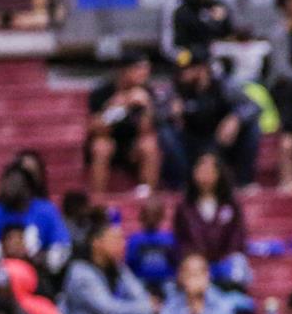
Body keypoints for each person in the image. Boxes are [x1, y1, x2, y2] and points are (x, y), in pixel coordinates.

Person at [60, 219, 156, 314]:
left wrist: (147, 308)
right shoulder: (80, 273)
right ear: (96, 242)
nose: (122, 244)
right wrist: (149, 309)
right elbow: (109, 310)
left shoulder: (119, 268)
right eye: (115, 239)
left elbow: (140, 295)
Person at [167, 50, 261, 189]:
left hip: (220, 141)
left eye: (188, 69)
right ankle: (182, 184)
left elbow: (253, 107)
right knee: (166, 134)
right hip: (192, 144)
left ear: (202, 69)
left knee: (252, 128)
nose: (183, 74)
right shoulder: (176, 90)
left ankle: (244, 181)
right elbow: (158, 113)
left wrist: (236, 118)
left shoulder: (224, 86)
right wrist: (173, 115)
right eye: (181, 70)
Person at [82, 54, 166, 197]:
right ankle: (98, 199)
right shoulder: (103, 92)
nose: (144, 74)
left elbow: (147, 129)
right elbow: (95, 128)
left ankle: (146, 195)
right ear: (124, 71)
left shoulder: (146, 93)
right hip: (109, 140)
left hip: (132, 145)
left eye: (146, 70)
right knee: (101, 147)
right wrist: (117, 107)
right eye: (139, 69)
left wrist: (147, 107)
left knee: (149, 144)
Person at [172, 151, 248, 291]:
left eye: (209, 170)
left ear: (218, 173)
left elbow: (238, 237)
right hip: (197, 262)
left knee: (238, 262)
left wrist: (224, 257)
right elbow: (180, 240)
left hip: (224, 260)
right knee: (190, 269)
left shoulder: (231, 204)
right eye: (201, 170)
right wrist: (196, 260)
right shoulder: (184, 206)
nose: (205, 175)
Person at [163, 0, 232, 62]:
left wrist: (219, 21)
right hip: (184, 53)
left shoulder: (217, 5)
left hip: (210, 54)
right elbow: (169, 41)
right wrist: (187, 60)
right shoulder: (177, 4)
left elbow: (227, 33)